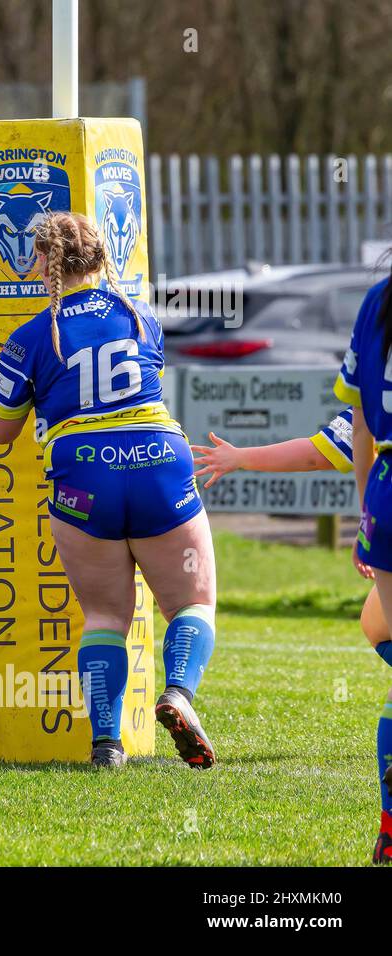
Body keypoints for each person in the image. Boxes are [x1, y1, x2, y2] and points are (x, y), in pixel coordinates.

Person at [0, 211, 217, 769]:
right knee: (191, 603)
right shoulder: (140, 317)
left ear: (46, 263)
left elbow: (0, 433)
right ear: (101, 257)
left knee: (106, 616)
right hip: (157, 457)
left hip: (83, 471)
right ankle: (179, 694)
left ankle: (106, 744)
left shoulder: (31, 335)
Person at [191, 410, 392, 659]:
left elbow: (318, 454)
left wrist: (241, 457)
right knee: (376, 624)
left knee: (380, 627)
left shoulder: (376, 380)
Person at [332, 267, 392, 863]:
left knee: (378, 628)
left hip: (387, 491)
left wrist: (366, 516)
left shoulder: (379, 298)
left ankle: (390, 828)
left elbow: (362, 428)